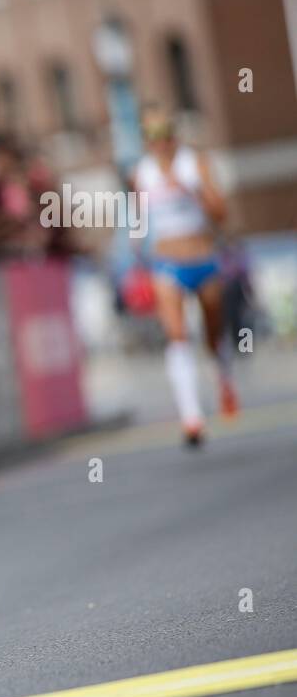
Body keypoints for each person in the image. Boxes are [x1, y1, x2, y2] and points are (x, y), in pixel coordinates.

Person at [132, 107, 235, 446]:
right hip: (167, 263)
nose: (159, 145)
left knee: (212, 331)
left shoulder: (195, 164)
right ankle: (191, 418)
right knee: (177, 335)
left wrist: (193, 191)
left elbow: (221, 213)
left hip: (202, 258)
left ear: (173, 137)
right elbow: (138, 222)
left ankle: (223, 376)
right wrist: (136, 257)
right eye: (152, 138)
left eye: (164, 136)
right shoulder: (142, 173)